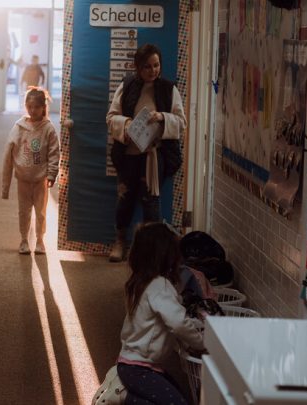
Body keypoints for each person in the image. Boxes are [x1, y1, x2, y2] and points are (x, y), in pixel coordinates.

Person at [106, 44, 186, 262]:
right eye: (147, 67)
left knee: (151, 202)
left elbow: (182, 122)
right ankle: (120, 242)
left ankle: (150, 252)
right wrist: (128, 125)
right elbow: (111, 117)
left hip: (154, 157)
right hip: (128, 155)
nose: (153, 71)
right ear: (137, 68)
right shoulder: (127, 86)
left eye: (156, 65)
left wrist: (162, 117)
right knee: (125, 199)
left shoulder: (169, 89)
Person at [116, 222, 204, 405]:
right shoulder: (160, 286)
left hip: (131, 364)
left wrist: (186, 343)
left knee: (177, 395)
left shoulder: (140, 281)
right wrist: (201, 343)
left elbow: (166, 324)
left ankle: (129, 398)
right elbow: (178, 323)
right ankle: (126, 399)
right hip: (140, 369)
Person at [2, 87, 60, 255]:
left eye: (36, 107)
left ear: (43, 107)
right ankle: (24, 240)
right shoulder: (19, 127)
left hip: (41, 179)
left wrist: (51, 174)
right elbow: (8, 156)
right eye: (29, 106)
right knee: (24, 212)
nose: (33, 110)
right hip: (23, 180)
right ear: (25, 106)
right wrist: (5, 186)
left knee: (41, 213)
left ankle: (40, 240)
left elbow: (54, 153)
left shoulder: (48, 129)